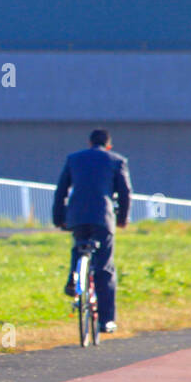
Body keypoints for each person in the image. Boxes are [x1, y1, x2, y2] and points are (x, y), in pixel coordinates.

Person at [52, 128, 132, 334]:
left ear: (89, 143)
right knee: (105, 268)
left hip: (77, 216)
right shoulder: (117, 160)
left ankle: (74, 279)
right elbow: (125, 193)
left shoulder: (74, 159)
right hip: (102, 217)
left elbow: (61, 191)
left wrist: (59, 219)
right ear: (109, 145)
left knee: (79, 246)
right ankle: (106, 321)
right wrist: (122, 219)